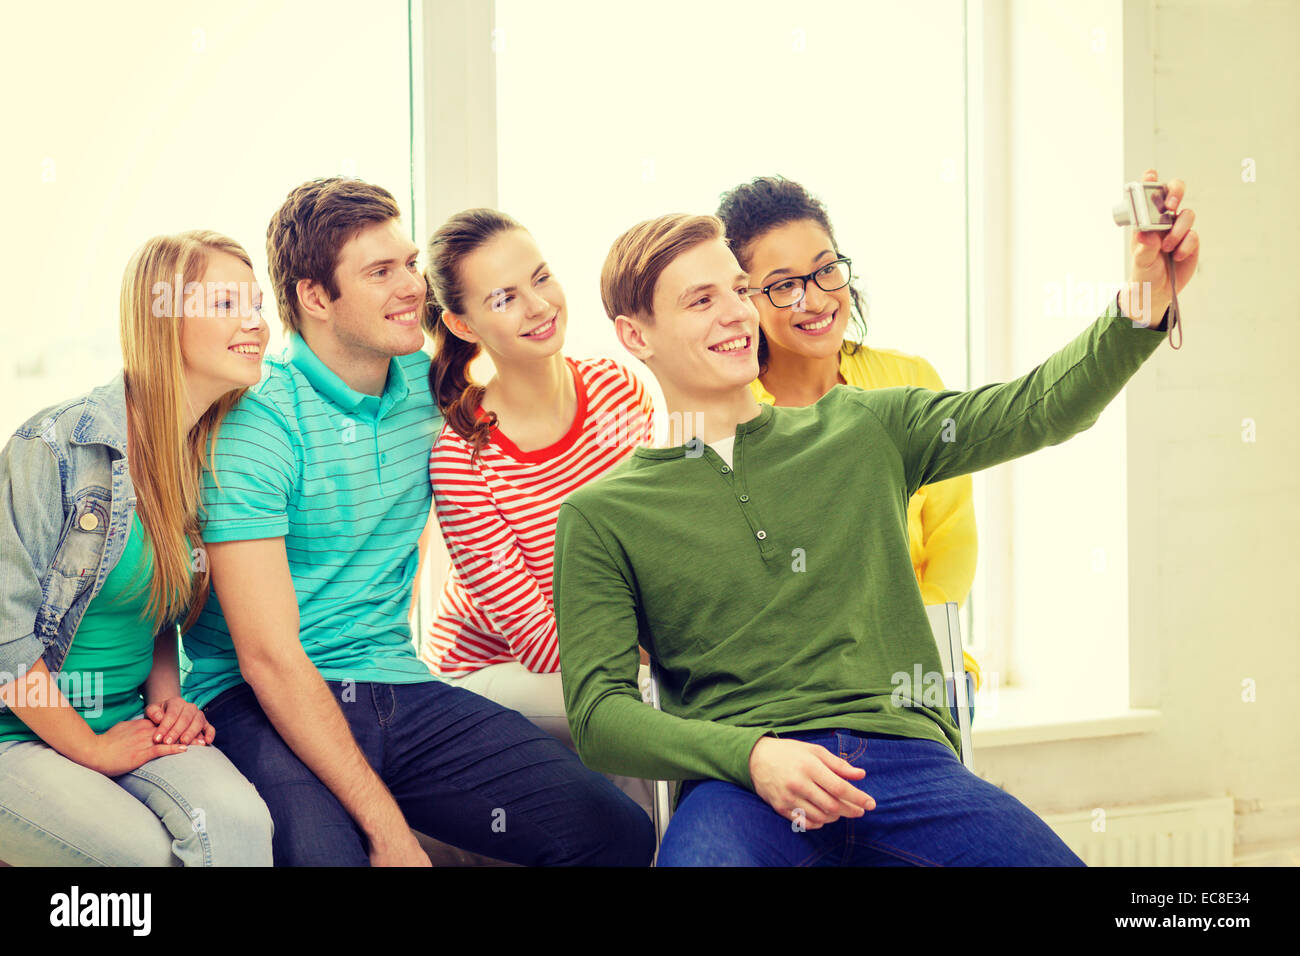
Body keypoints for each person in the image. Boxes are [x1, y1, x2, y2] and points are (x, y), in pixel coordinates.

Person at [553, 170, 1198, 866]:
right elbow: (598, 716)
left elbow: (1041, 407)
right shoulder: (601, 515)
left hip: (907, 770)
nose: (735, 313)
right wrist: (753, 755)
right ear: (634, 334)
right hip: (740, 788)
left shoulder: (863, 426)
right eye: (700, 300)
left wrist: (1145, 297)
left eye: (738, 290)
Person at [180, 178, 654, 867]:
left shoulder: (430, 396)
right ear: (315, 297)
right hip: (260, 700)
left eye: (409, 264)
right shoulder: (257, 426)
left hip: (398, 687)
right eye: (380, 272)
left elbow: (525, 409)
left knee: (614, 833)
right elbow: (268, 660)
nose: (413, 287)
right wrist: (388, 829)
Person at [0, 231, 274, 866]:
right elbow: (6, 640)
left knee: (237, 827)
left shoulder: (204, 455)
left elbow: (149, 613)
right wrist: (91, 750)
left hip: (127, 722)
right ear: (163, 319)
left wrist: (168, 702)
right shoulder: (55, 447)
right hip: (18, 735)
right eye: (227, 304)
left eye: (256, 305)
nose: (255, 324)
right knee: (141, 858)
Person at [717, 175, 981, 720]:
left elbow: (953, 533)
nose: (814, 299)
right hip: (793, 686)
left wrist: (920, 637)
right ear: (746, 298)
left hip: (920, 664)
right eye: (783, 284)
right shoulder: (732, 414)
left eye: (825, 269)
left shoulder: (909, 379)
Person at [420, 208, 657, 814]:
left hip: (610, 649)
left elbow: (655, 550)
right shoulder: (462, 455)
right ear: (462, 323)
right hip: (489, 671)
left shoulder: (618, 391)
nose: (537, 305)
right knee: (637, 703)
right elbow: (537, 640)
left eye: (541, 278)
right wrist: (650, 651)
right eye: (504, 298)